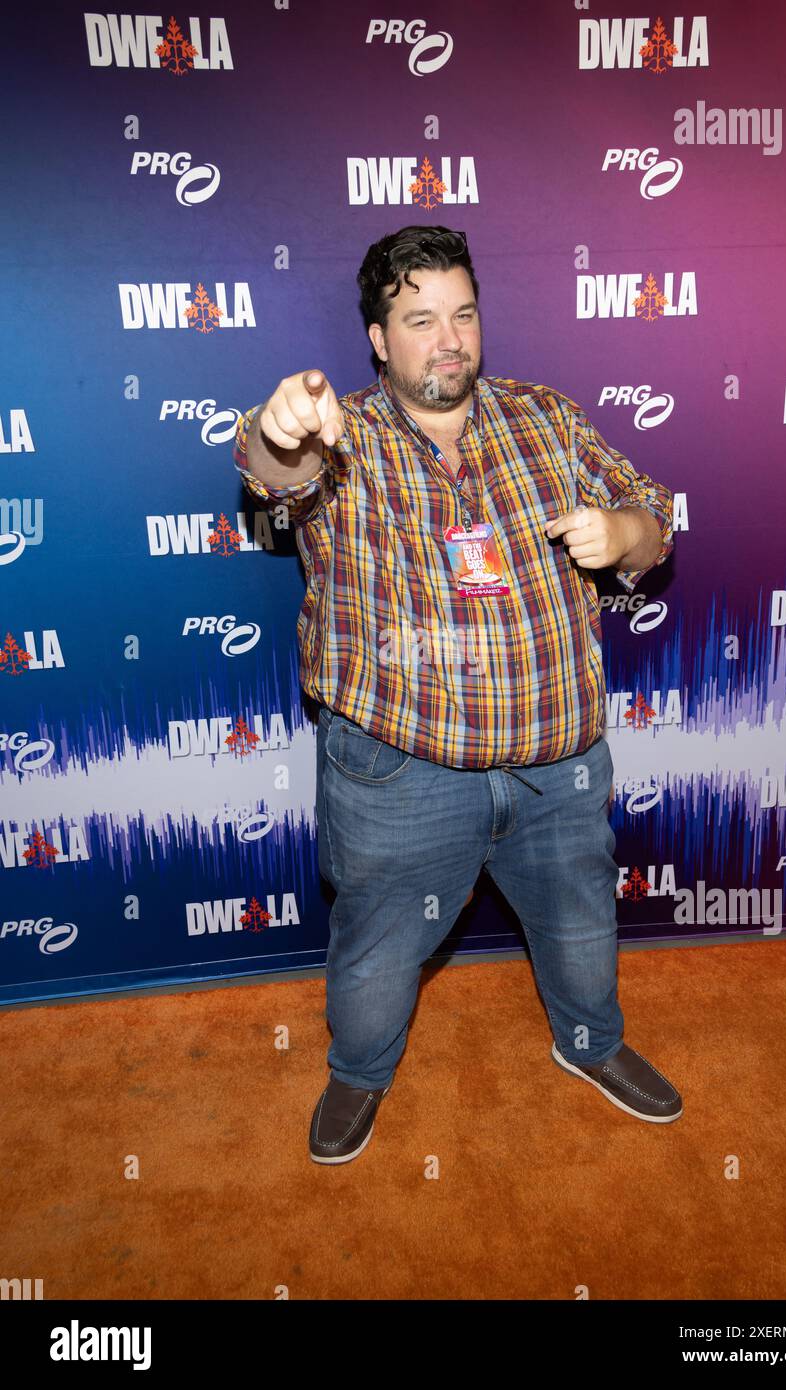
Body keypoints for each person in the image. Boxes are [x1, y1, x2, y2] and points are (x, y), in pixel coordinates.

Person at [232, 225, 682, 1165]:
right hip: (400, 772)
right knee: (375, 956)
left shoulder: (546, 419)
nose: (448, 340)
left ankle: (590, 1043)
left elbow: (653, 519)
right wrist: (278, 436)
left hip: (554, 764)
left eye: (463, 314)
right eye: (419, 319)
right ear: (376, 336)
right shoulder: (339, 435)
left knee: (581, 925)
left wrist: (623, 530)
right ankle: (358, 1073)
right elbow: (278, 484)